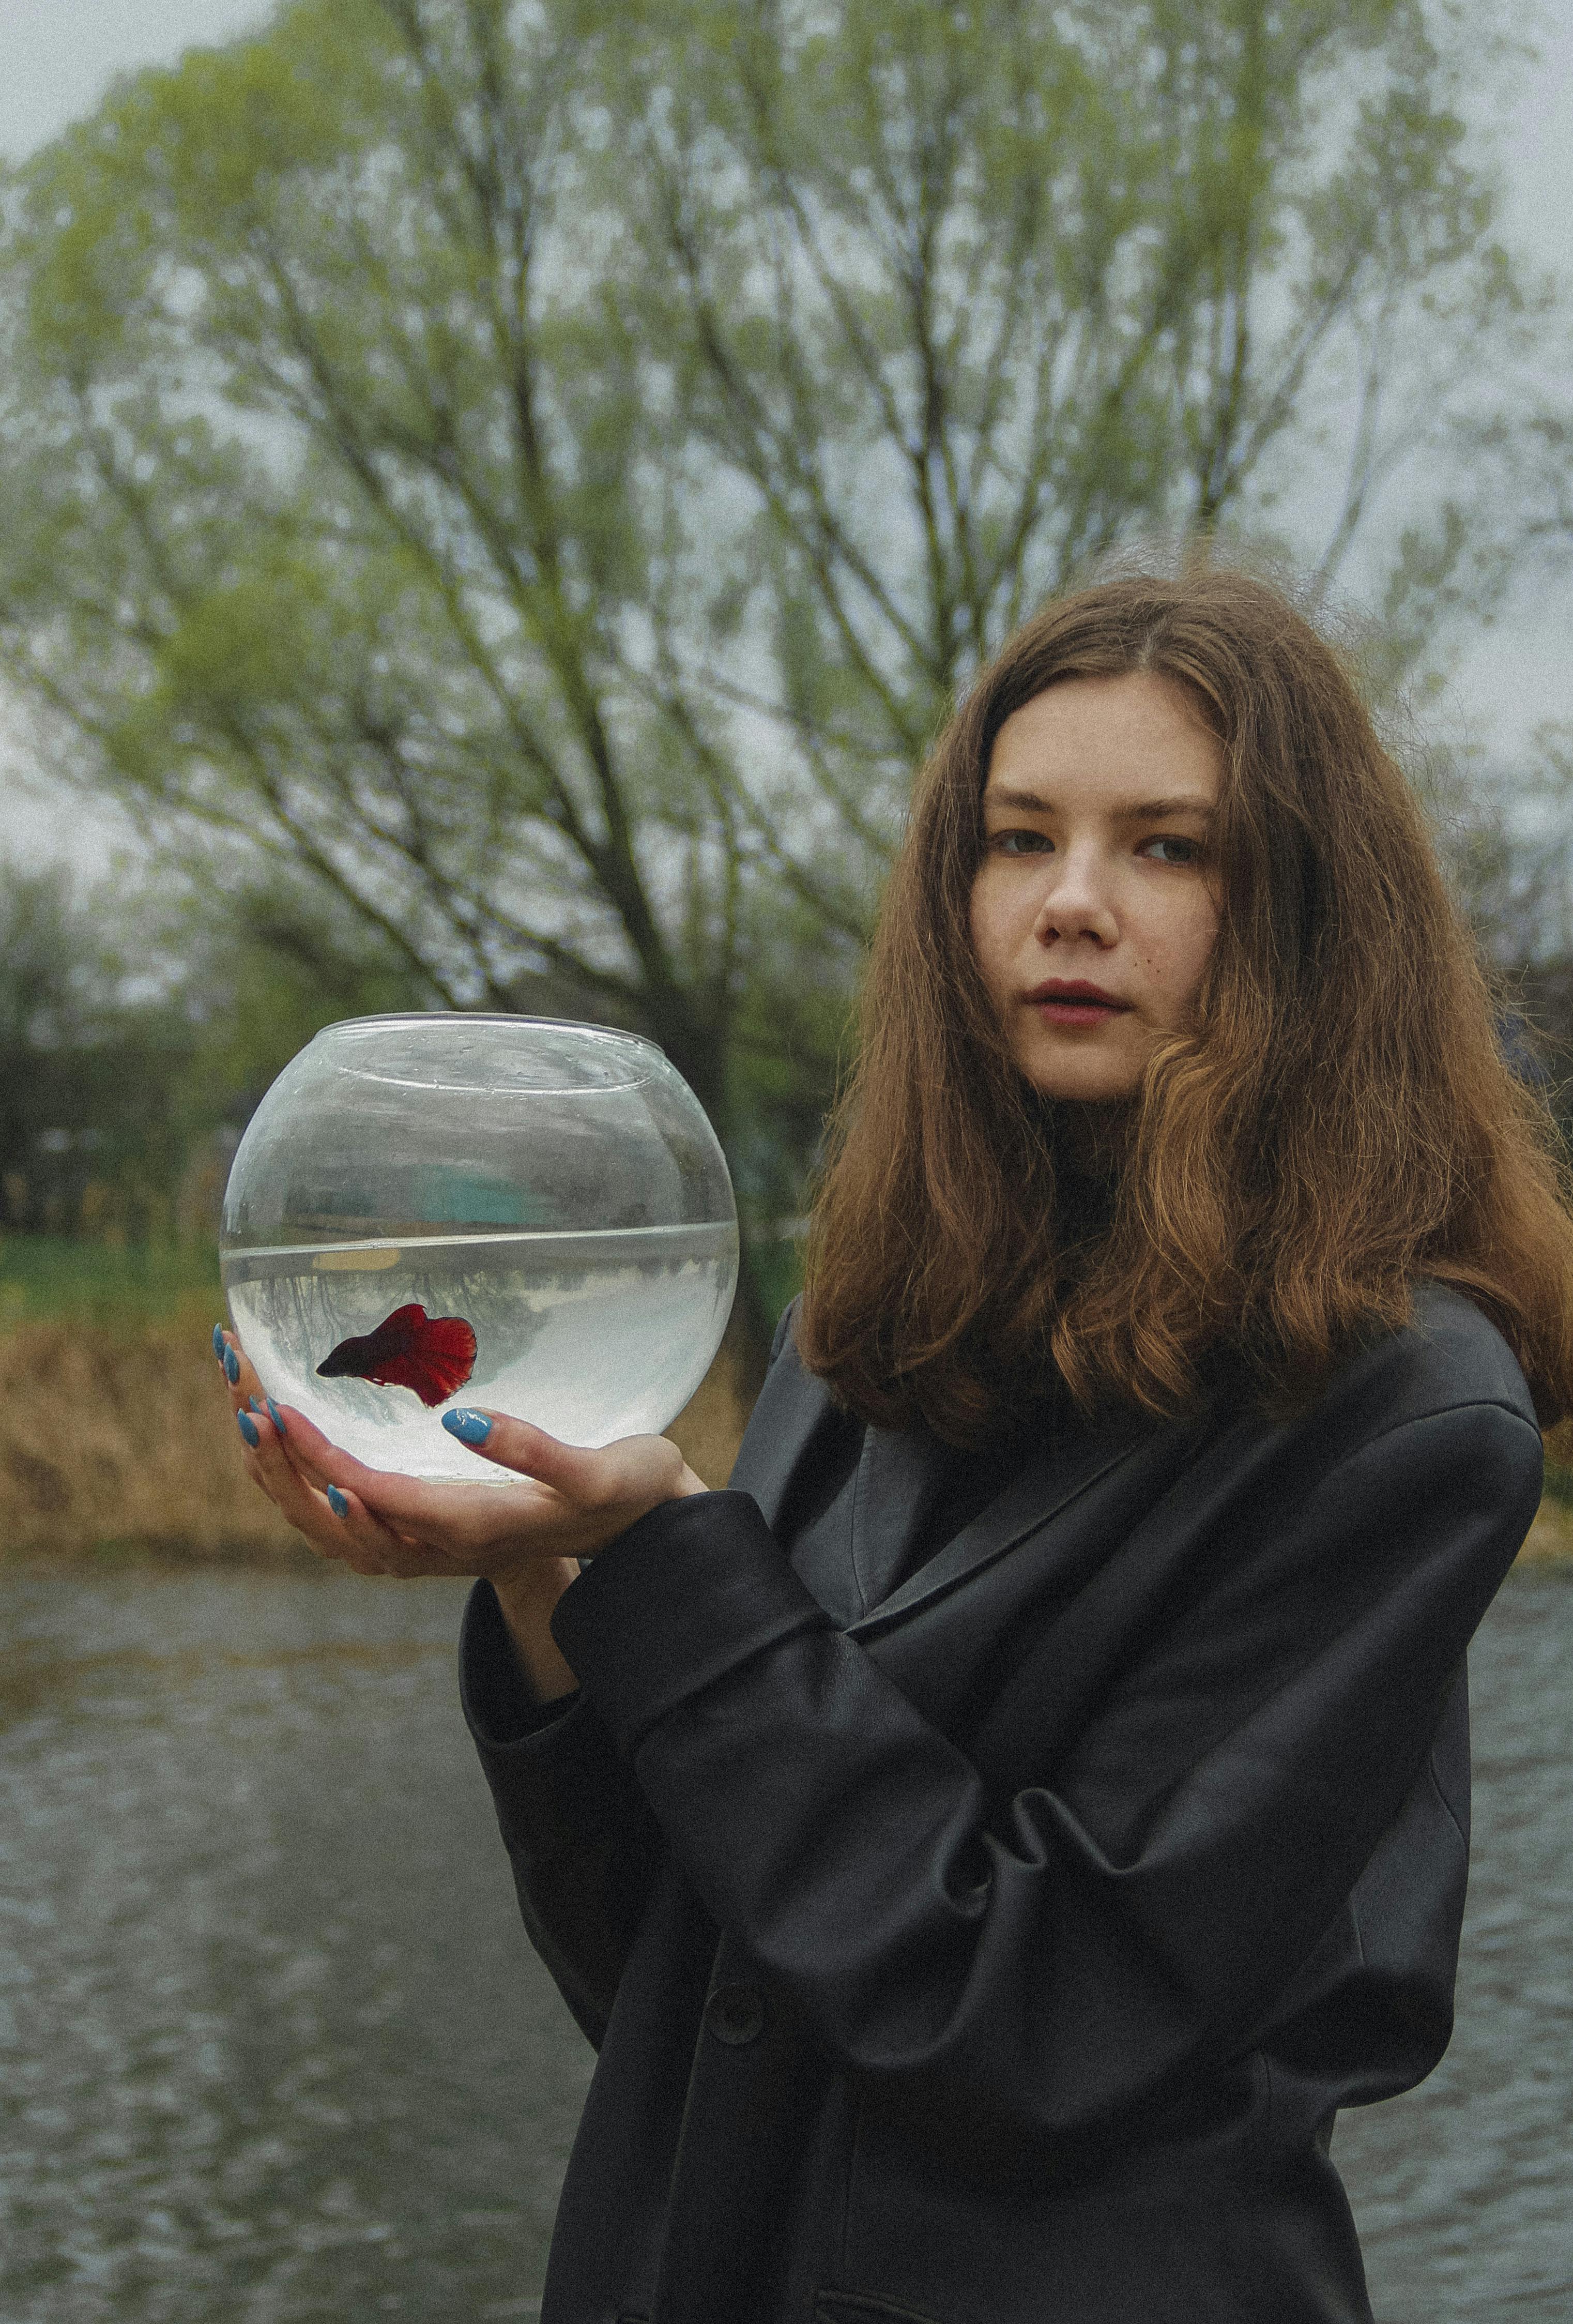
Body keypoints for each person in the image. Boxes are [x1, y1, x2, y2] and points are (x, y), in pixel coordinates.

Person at [220, 568, 1573, 2324]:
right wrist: (549, 1570)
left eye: (1167, 849)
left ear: (1307, 918)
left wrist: (673, 1567)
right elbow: (685, 1973)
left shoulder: (1403, 1419)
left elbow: (1035, 2021)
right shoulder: (884, 1315)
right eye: (1018, 839)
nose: (1070, 903)